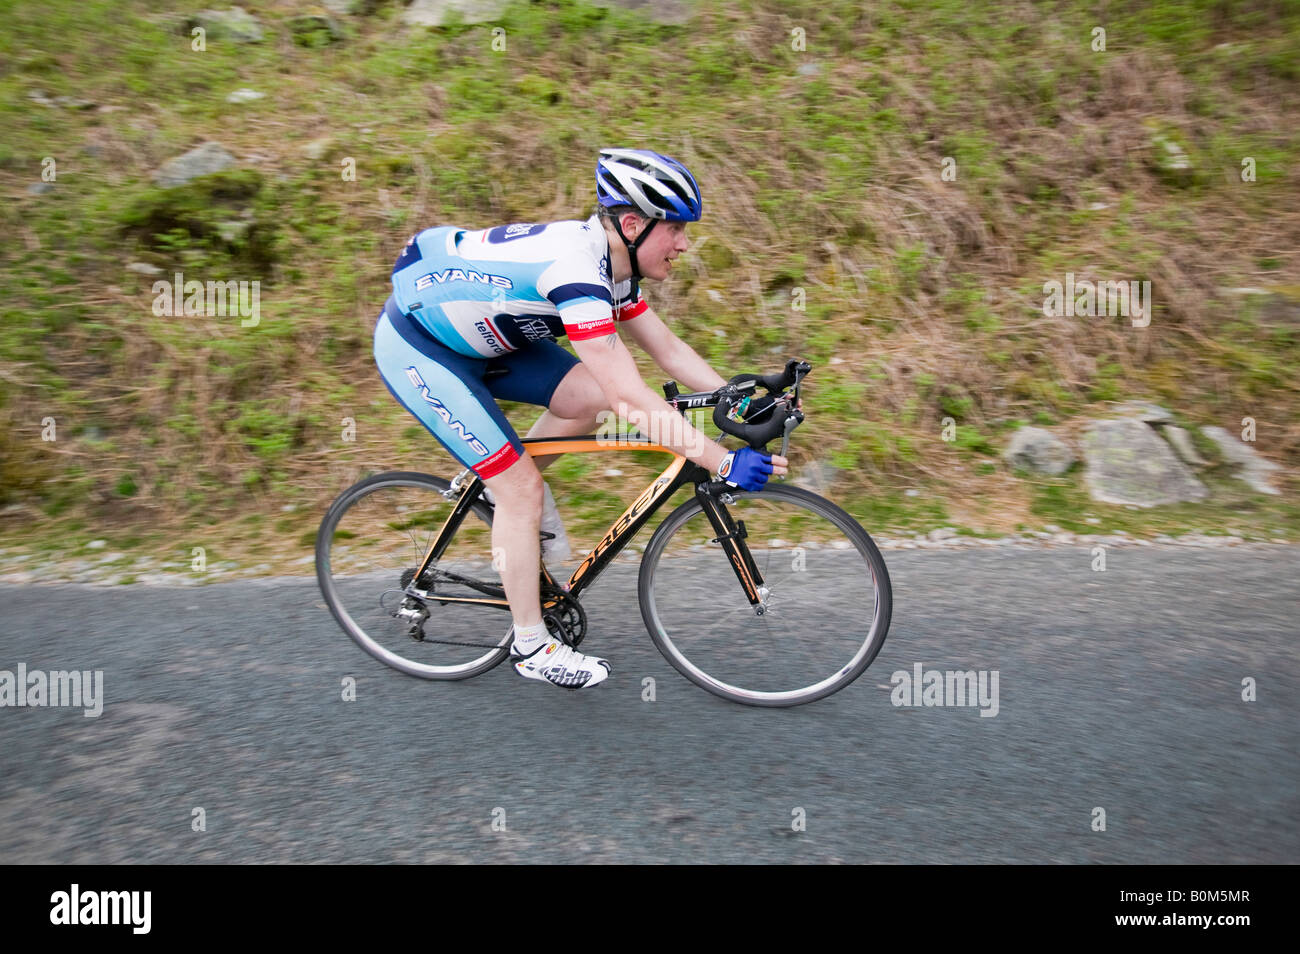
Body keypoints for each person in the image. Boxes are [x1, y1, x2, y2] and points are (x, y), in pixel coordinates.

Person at [373, 148, 786, 690]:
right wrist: (721, 459)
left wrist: (740, 397)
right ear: (633, 225)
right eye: (677, 229)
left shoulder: (613, 265)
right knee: (523, 488)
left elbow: (669, 350)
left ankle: (498, 491)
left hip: (490, 336)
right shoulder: (576, 273)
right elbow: (632, 400)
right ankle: (531, 644)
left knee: (585, 401)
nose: (684, 243)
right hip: (423, 347)